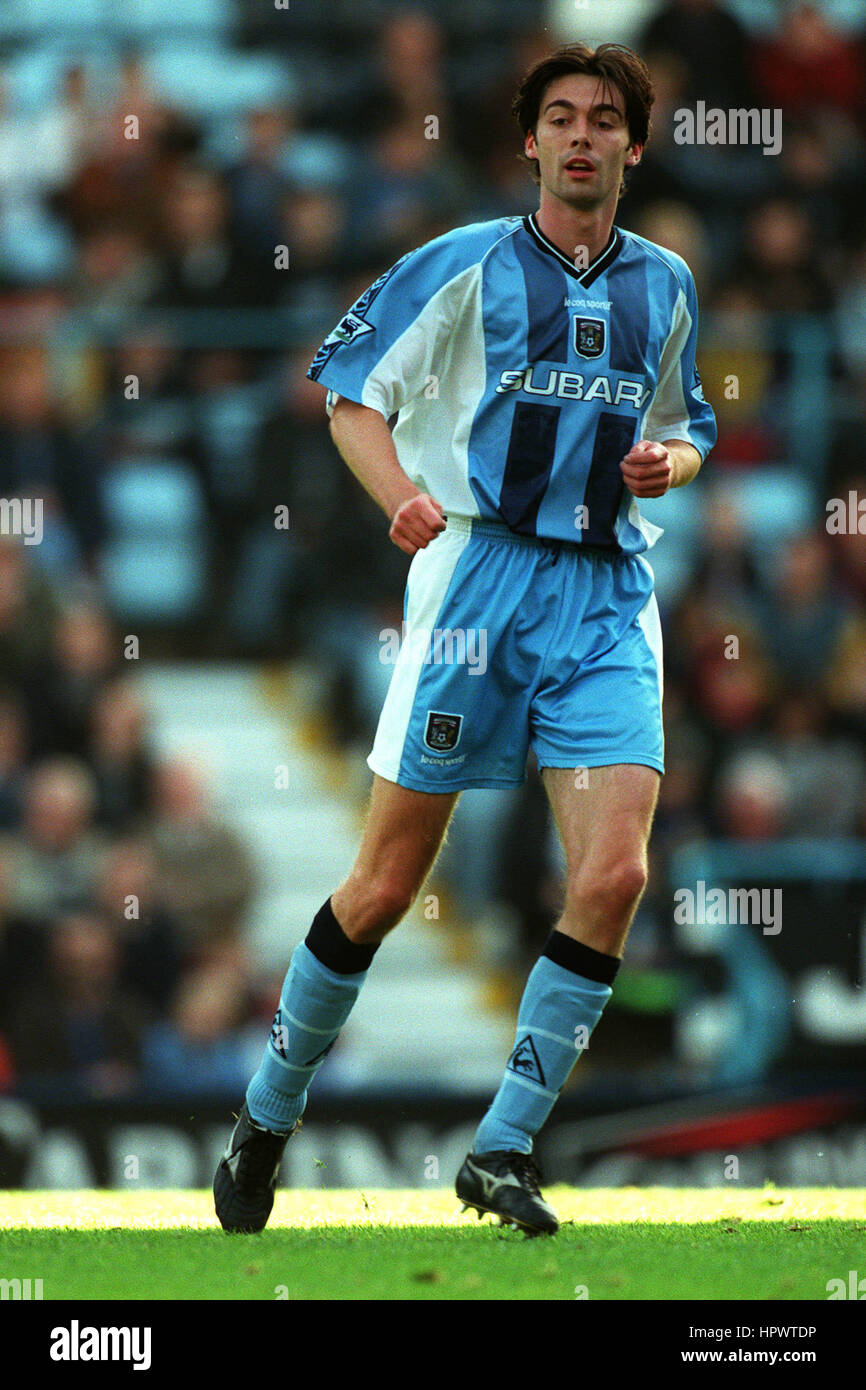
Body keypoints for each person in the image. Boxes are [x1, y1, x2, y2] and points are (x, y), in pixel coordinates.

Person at [214, 41, 716, 1236]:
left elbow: (683, 426)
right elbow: (346, 394)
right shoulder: (463, 264)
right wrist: (395, 492)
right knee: (387, 883)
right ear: (530, 142)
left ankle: (499, 1151)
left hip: (604, 591)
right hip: (476, 580)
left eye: (604, 119)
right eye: (561, 117)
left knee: (615, 872)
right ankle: (266, 1116)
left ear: (633, 147)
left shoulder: (667, 285)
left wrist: (673, 464)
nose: (583, 135)